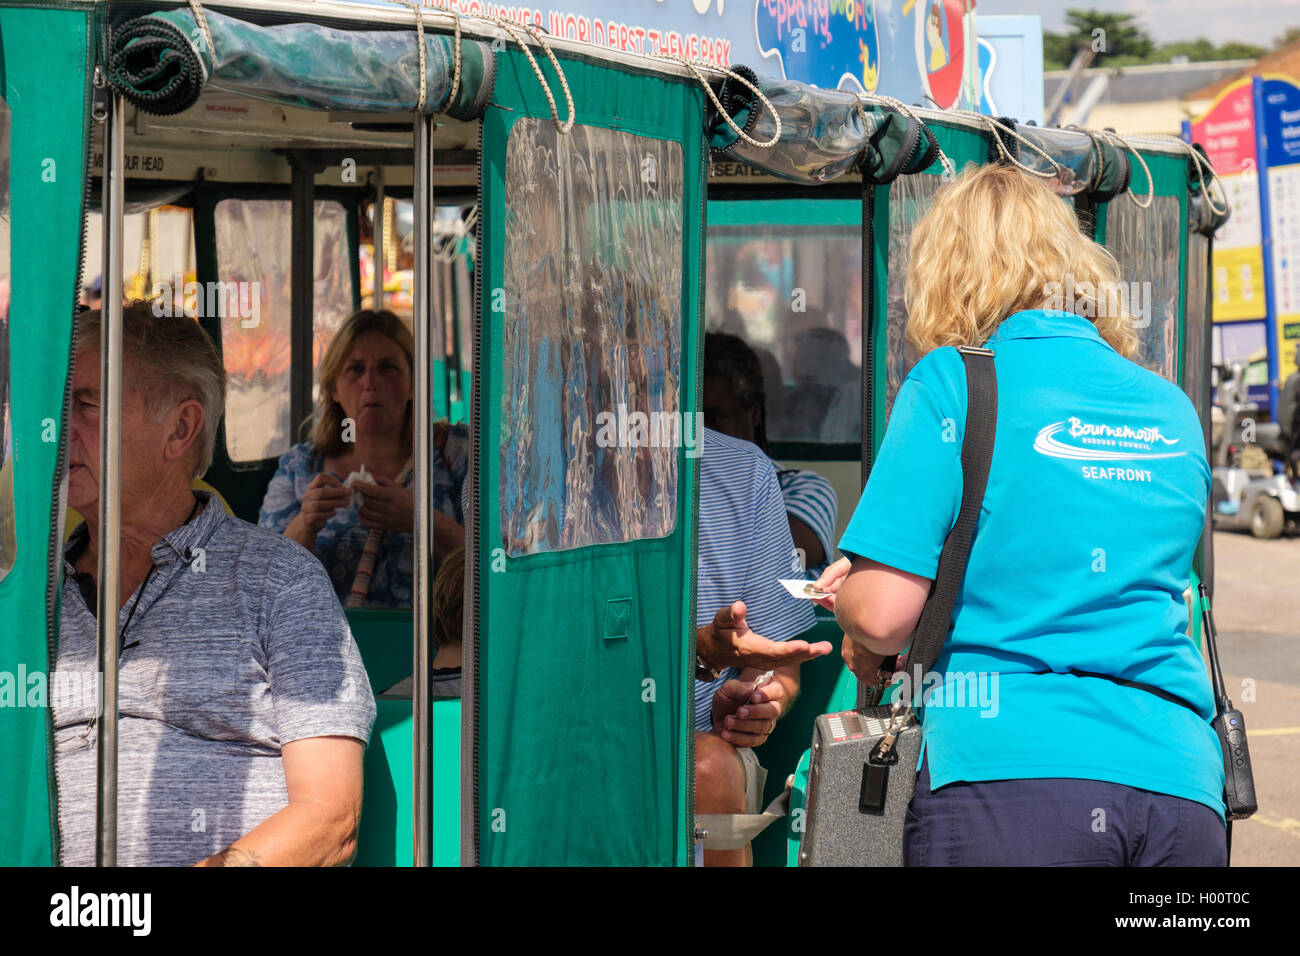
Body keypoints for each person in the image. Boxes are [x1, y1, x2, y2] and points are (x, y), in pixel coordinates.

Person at [814, 164, 1226, 866]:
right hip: (1180, 784)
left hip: (1005, 778)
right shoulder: (1171, 408)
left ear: (950, 271)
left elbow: (885, 614)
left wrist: (848, 590)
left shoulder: (953, 380)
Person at [56, 301, 375, 866]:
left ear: (180, 428)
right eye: (59, 403)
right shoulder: (29, 594)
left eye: (88, 404)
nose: (61, 427)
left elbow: (330, 817)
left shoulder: (279, 583)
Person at [259, 309, 466, 607]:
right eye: (355, 369)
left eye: (388, 368)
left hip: (434, 650)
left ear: (412, 384)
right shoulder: (301, 468)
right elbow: (262, 578)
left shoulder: (454, 455)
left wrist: (421, 520)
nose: (370, 383)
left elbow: (494, 567)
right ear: (334, 388)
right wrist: (306, 523)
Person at [693, 426, 819, 867]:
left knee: (708, 767)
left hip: (703, 750)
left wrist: (755, 701)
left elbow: (779, 663)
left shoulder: (745, 471)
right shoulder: (526, 459)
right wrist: (701, 654)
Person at [703, 332, 839, 579]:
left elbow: (776, 555)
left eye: (715, 418)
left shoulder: (804, 489)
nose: (704, 436)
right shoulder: (669, 496)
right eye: (695, 424)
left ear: (753, 414)